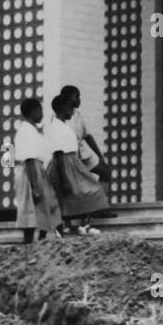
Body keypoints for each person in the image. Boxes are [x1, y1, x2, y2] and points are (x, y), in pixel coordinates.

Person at [45, 94, 110, 233]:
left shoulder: (63, 125)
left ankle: (78, 225)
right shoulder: (56, 126)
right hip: (65, 163)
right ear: (63, 108)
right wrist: (65, 177)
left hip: (73, 161)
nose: (71, 111)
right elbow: (58, 153)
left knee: (87, 190)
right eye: (69, 108)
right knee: (72, 193)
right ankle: (62, 229)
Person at [60, 84, 117, 219]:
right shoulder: (63, 118)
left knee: (105, 172)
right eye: (77, 97)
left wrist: (99, 156)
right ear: (68, 99)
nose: (79, 100)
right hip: (72, 157)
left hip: (84, 154)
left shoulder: (78, 115)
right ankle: (86, 212)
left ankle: (101, 208)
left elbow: (88, 136)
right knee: (84, 185)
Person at [12, 96, 61, 244]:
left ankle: (41, 240)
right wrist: (34, 187)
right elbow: (29, 159)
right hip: (30, 171)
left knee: (44, 204)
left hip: (37, 170)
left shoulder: (32, 131)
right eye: (39, 110)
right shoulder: (25, 131)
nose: (41, 114)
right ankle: (28, 243)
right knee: (30, 206)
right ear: (33, 111)